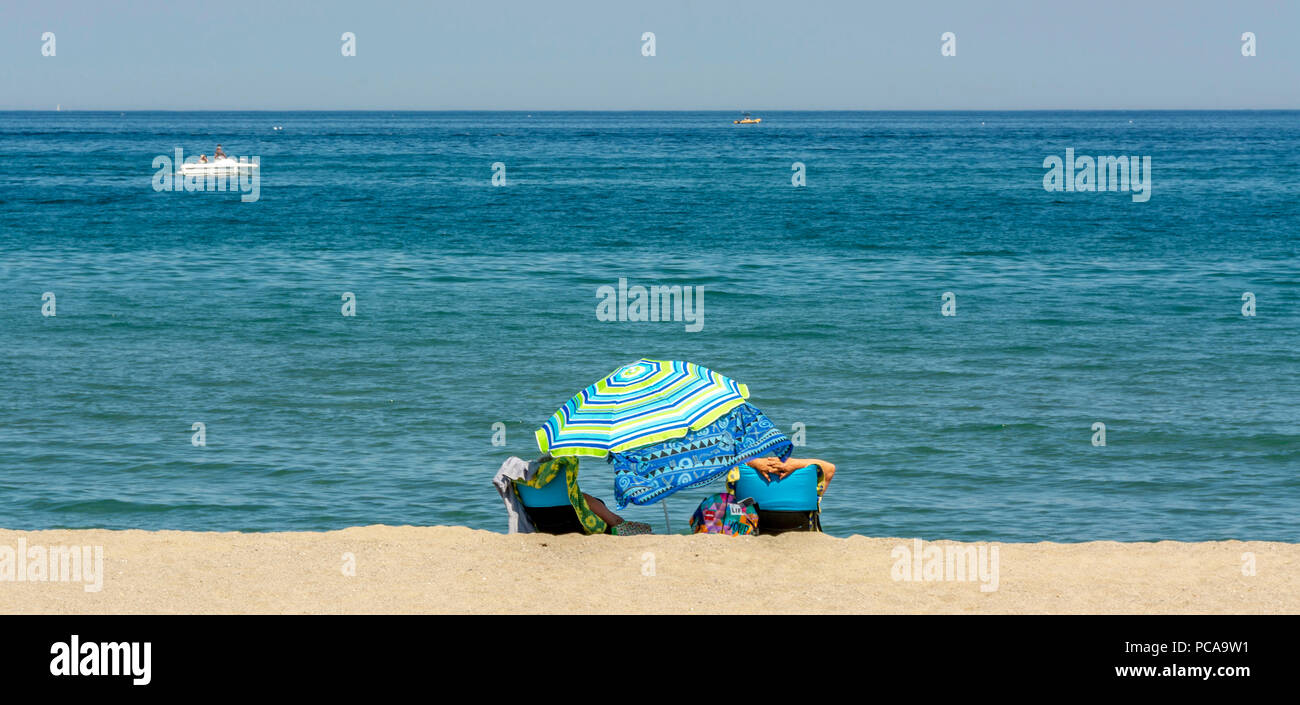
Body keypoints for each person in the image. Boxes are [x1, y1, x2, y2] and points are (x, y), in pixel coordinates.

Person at [747, 456, 836, 487]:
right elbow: (829, 469)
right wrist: (797, 464)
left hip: (755, 524)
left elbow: (733, 464)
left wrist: (752, 461)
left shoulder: (740, 472)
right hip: (801, 525)